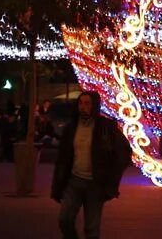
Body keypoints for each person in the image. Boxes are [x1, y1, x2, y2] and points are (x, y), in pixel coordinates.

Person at [52, 91, 131, 239]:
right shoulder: (71, 128)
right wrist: (57, 186)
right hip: (74, 181)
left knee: (91, 229)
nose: (83, 107)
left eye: (87, 104)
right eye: (80, 103)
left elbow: (124, 152)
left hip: (95, 184)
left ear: (94, 105)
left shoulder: (105, 127)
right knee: (64, 219)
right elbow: (62, 159)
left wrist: (111, 178)